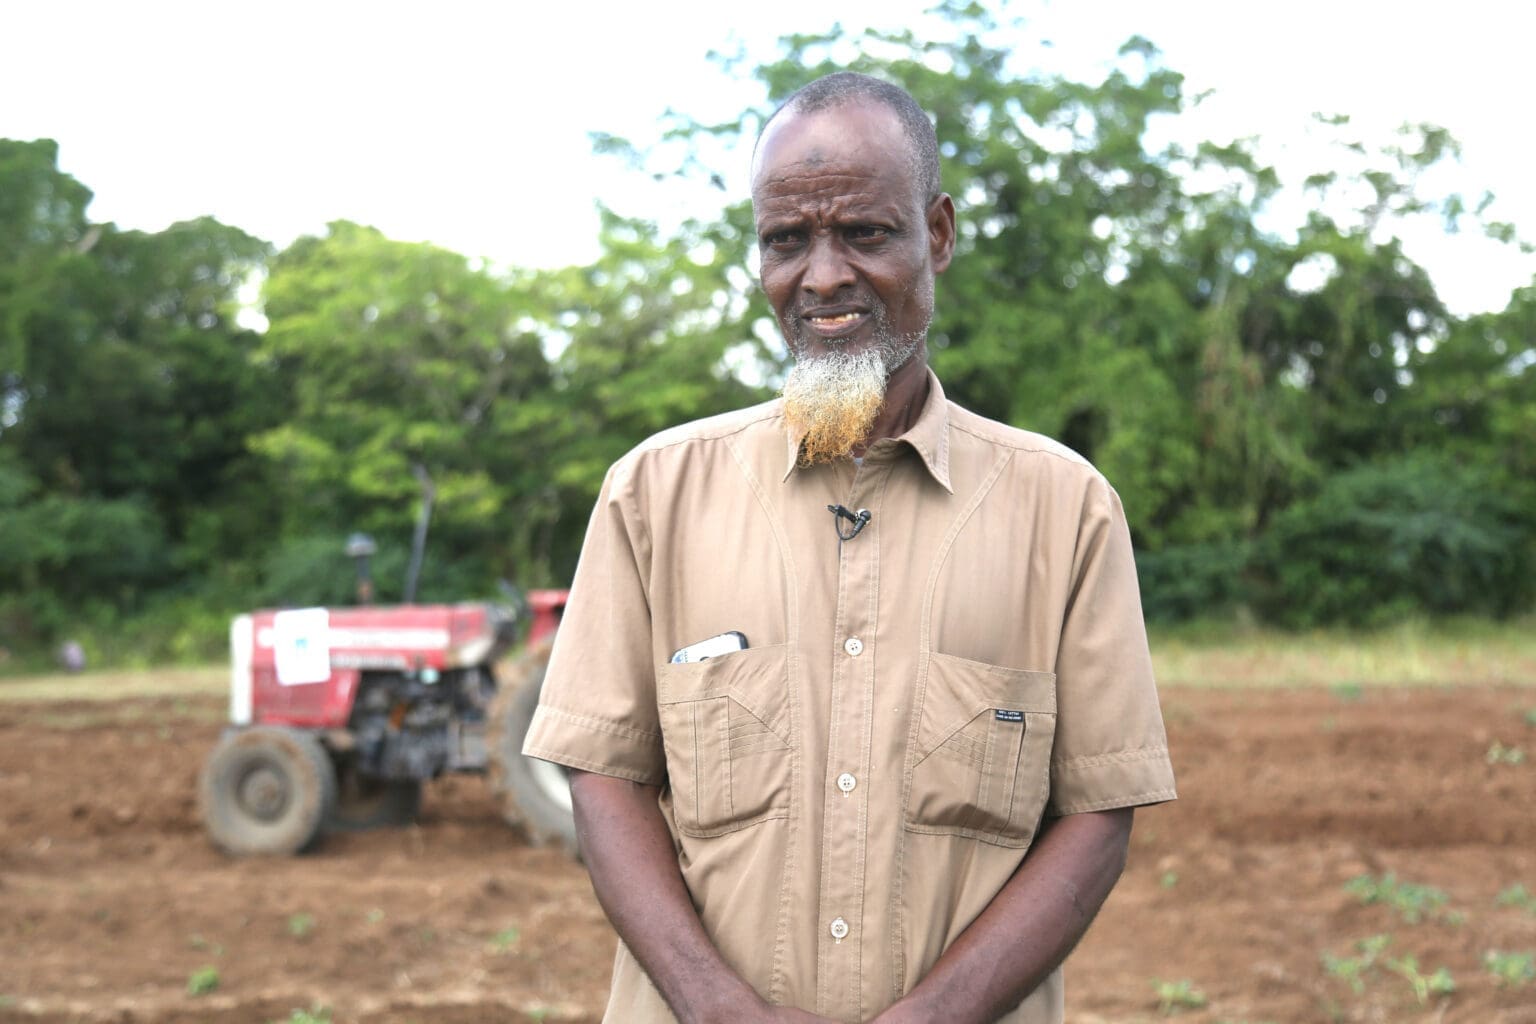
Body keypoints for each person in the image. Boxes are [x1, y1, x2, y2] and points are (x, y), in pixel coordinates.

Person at [523, 71, 1177, 1024]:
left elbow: (1098, 814)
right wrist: (717, 1008)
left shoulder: (1066, 509)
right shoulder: (652, 494)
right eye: (787, 240)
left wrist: (935, 1016)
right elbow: (603, 778)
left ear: (938, 235)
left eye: (865, 233)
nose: (822, 276)